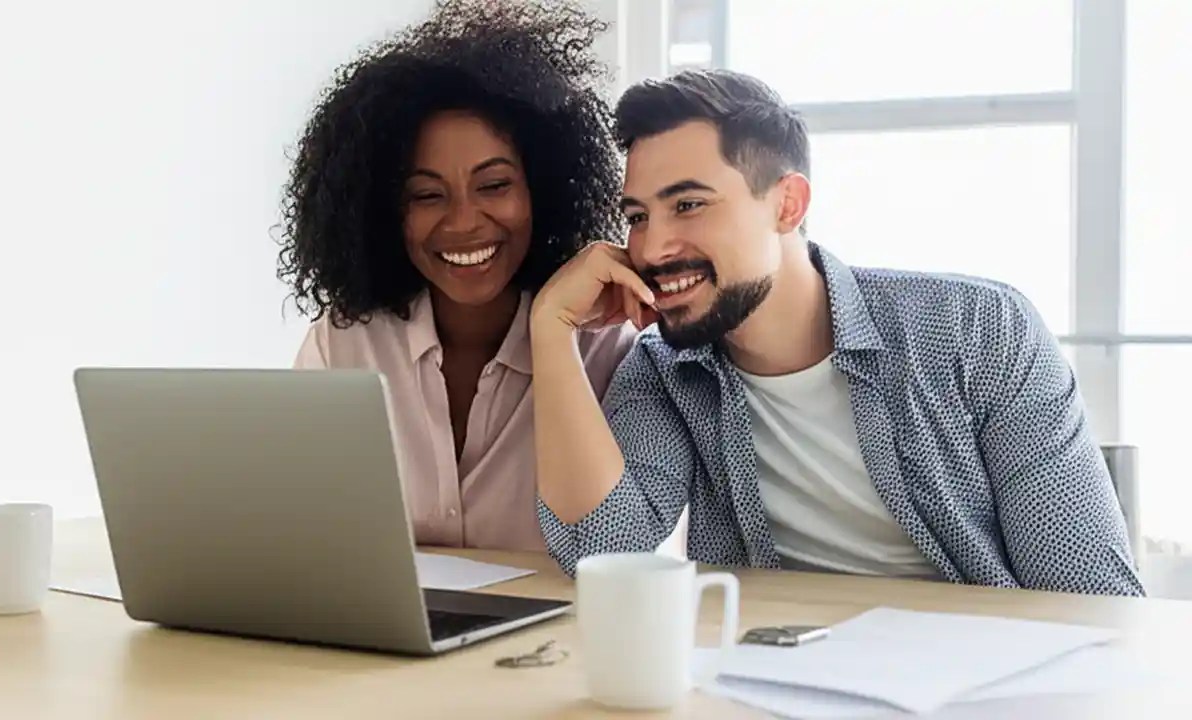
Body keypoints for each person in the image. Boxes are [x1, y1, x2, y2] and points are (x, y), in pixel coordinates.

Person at [529, 68, 1144, 596]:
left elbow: (1091, 598)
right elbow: (598, 551)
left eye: (688, 205)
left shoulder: (982, 331)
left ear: (787, 205)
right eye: (637, 216)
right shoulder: (665, 369)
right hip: (770, 677)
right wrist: (551, 330)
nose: (653, 247)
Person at [278, 0, 633, 552]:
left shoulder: (608, 348)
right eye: (426, 195)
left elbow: (615, 555)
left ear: (540, 189)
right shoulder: (345, 344)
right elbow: (298, 536)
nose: (465, 222)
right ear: (385, 211)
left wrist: (550, 328)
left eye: (494, 186)